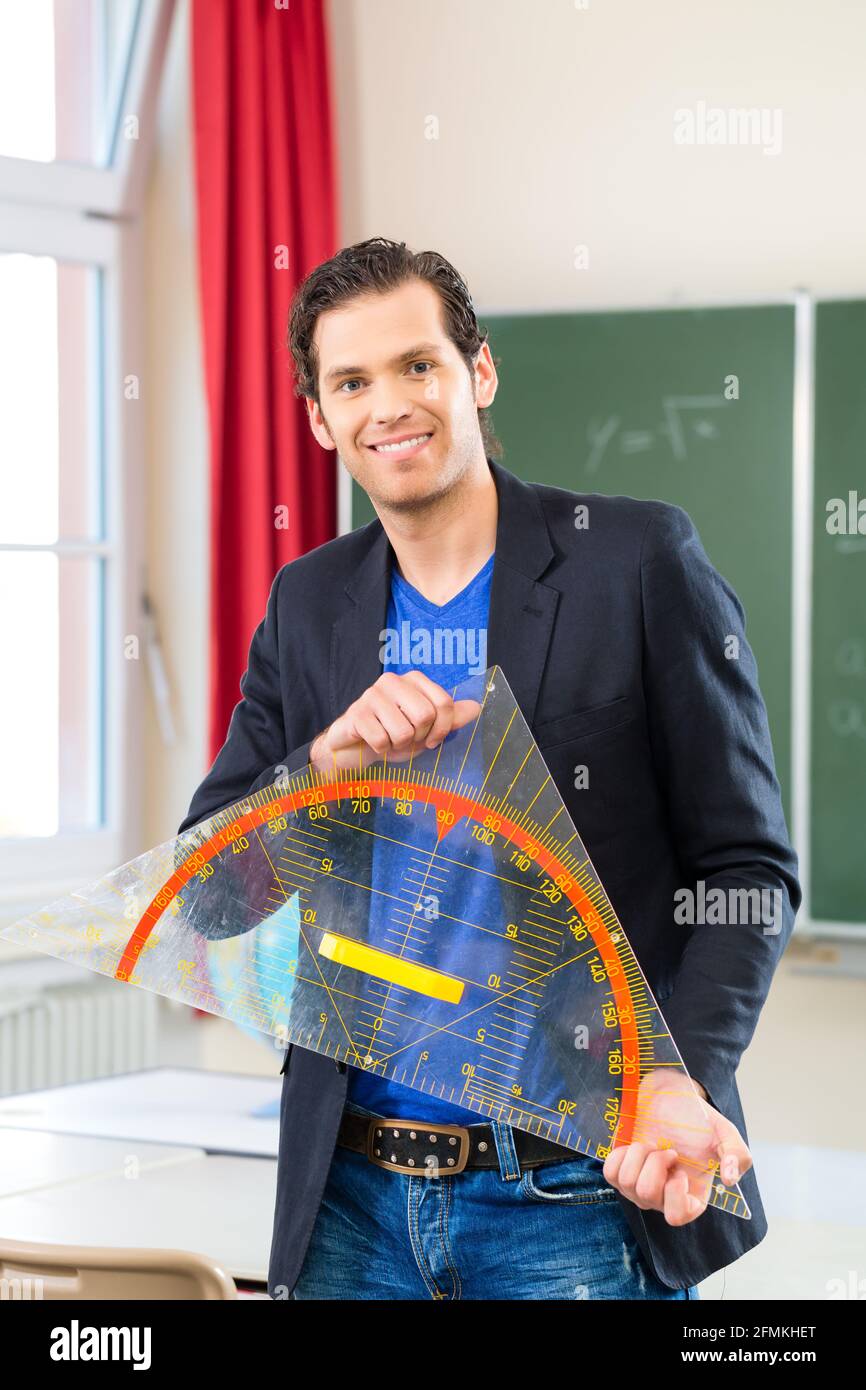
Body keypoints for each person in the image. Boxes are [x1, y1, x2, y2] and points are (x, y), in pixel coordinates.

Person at [177, 237, 801, 1300]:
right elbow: (211, 897)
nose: (390, 405)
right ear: (321, 420)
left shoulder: (635, 561)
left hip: (572, 1197)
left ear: (477, 372)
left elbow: (744, 866)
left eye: (417, 364)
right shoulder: (307, 601)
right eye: (351, 381)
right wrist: (322, 766)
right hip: (350, 1202)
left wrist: (671, 1073)